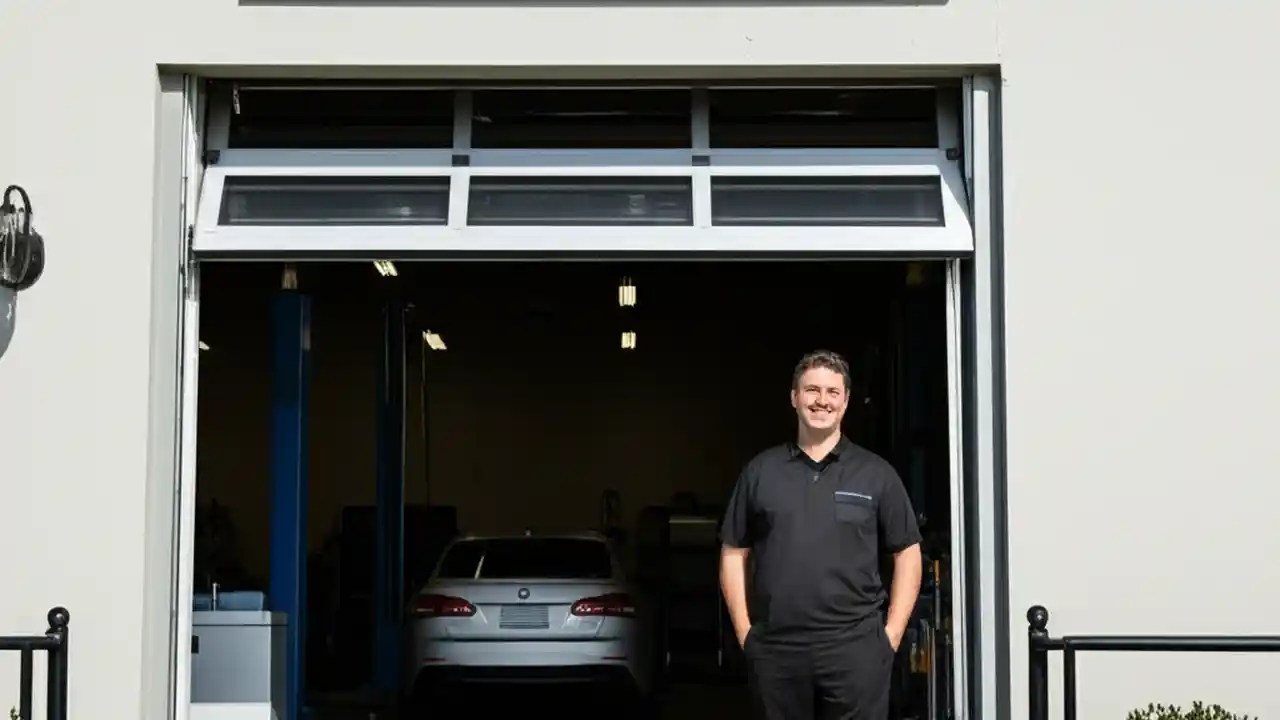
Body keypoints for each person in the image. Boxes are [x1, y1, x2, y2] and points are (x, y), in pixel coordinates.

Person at [719, 350, 923, 720]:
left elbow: (907, 552)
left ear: (846, 401)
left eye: (832, 392)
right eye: (812, 390)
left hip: (855, 650)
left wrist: (889, 636)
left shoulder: (876, 474)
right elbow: (734, 551)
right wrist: (746, 634)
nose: (821, 401)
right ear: (794, 397)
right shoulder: (760, 472)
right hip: (777, 651)